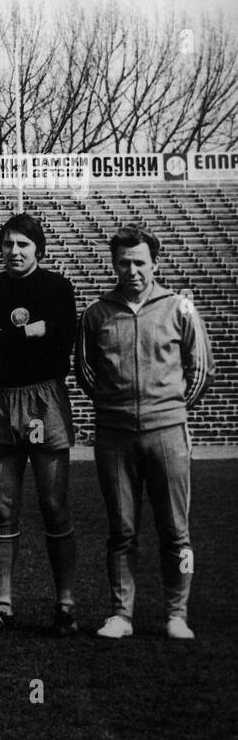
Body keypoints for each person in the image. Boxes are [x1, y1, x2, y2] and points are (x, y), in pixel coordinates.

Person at [76, 225, 215, 641]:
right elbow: (86, 372)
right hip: (115, 437)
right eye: (123, 262)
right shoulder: (96, 313)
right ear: (114, 264)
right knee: (122, 531)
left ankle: (177, 614)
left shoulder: (180, 307)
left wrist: (169, 410)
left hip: (167, 433)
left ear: (155, 262)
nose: (131, 270)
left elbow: (201, 369)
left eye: (139, 262)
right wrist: (115, 406)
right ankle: (121, 614)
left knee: (177, 532)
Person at [0, 215, 79, 637]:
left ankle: (65, 603)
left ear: (38, 249)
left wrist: (4, 336)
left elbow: (60, 345)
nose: (15, 251)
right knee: (3, 507)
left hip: (43, 398)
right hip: (0, 400)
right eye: (8, 243)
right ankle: (3, 603)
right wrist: (31, 332)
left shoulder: (57, 288)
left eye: (23, 245)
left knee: (54, 504)